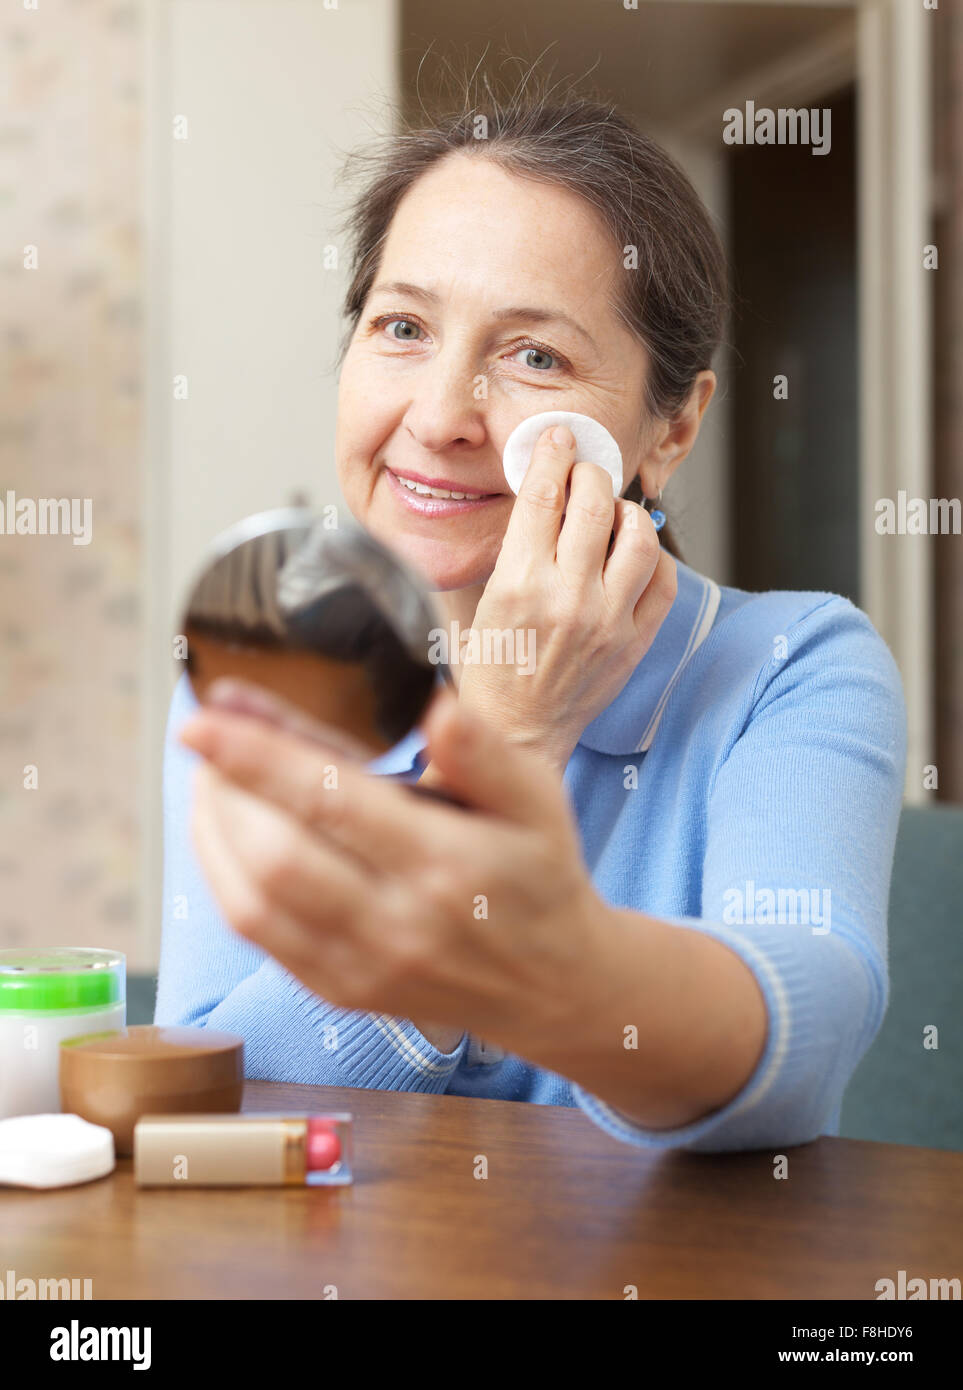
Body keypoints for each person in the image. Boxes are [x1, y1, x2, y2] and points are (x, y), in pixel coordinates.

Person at [155, 72, 906, 1152]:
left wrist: (505, 766)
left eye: (534, 356)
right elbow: (220, 1116)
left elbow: (801, 1048)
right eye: (403, 325)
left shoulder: (792, 664)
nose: (442, 414)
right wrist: (507, 728)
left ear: (672, 427)